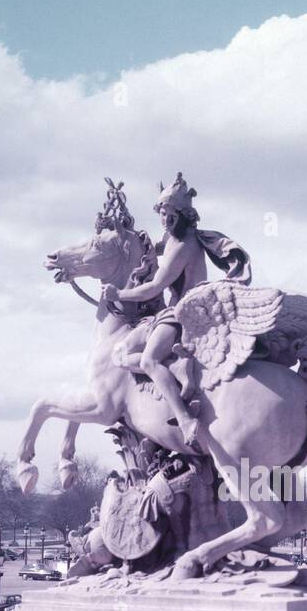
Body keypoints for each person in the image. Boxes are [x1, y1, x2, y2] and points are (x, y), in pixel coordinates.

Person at [103, 173, 250, 449]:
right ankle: (175, 367)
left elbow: (155, 287)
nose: (165, 220)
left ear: (184, 214)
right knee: (120, 354)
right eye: (162, 213)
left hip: (182, 313)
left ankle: (184, 419)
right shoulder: (172, 239)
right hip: (171, 312)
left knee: (147, 362)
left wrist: (119, 294)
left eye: (171, 215)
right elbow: (154, 247)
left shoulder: (185, 244)